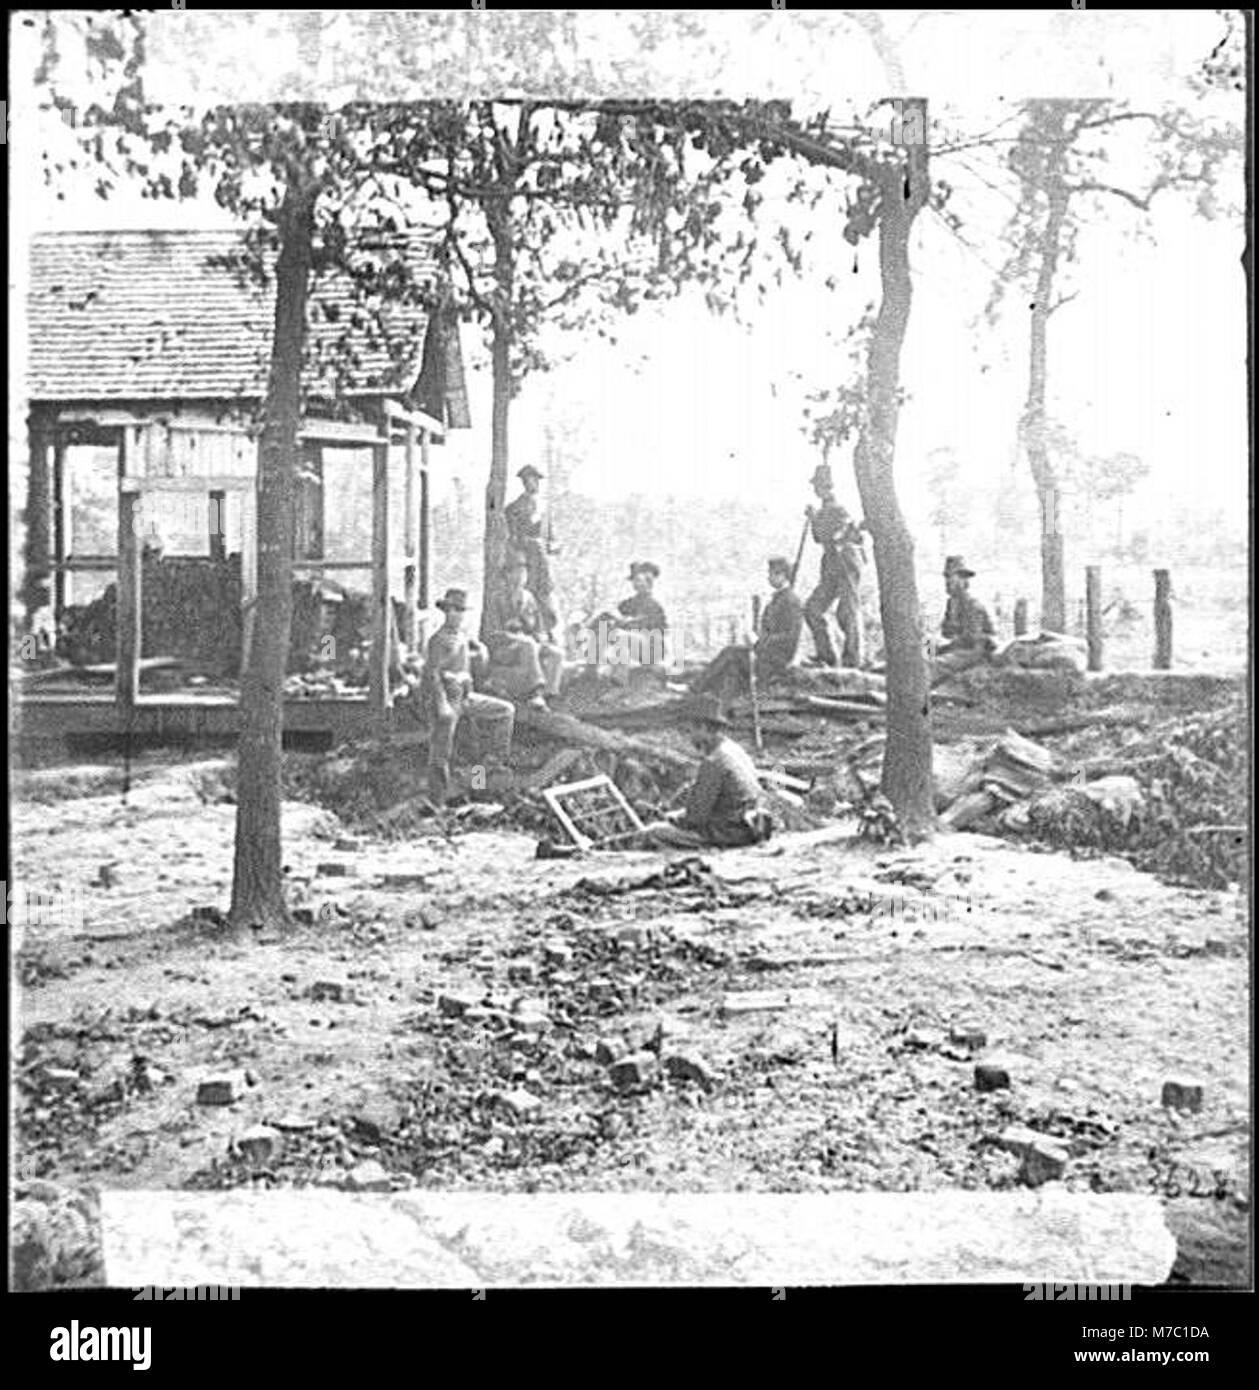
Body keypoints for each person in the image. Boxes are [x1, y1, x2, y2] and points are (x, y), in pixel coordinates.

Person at [420, 588, 515, 807]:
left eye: (462, 611)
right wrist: (442, 705)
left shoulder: (461, 636)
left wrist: (478, 650)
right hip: (447, 698)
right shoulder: (438, 639)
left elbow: (468, 658)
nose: (458, 615)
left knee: (505, 711)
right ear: (446, 611)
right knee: (440, 752)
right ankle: (437, 802)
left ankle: (489, 769)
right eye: (454, 610)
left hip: (465, 696)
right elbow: (431, 674)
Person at [642, 695, 772, 849]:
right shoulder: (734, 749)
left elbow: (695, 819)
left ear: (703, 728)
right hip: (751, 826)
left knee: (652, 832)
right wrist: (677, 816)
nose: (689, 738)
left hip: (730, 834)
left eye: (690, 731)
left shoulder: (713, 761)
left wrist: (674, 818)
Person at [690, 555, 804, 698]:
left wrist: (760, 641)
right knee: (732, 663)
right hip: (766, 654)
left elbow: (791, 636)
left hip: (776, 659)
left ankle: (695, 688)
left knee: (730, 653)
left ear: (783, 576)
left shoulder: (791, 601)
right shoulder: (779, 599)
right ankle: (713, 697)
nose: (769, 577)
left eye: (772, 574)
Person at [802, 463, 867, 669]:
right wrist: (814, 519)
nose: (817, 489)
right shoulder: (824, 511)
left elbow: (834, 535)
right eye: (817, 485)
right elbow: (818, 538)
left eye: (820, 485)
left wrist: (815, 519)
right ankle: (827, 656)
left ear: (828, 487)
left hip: (846, 561)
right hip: (831, 565)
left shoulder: (838, 510)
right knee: (813, 608)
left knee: (847, 610)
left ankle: (853, 659)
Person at [483, 555, 564, 707]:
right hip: (505, 647)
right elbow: (492, 632)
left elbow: (538, 627)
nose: (520, 577)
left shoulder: (529, 598)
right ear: (507, 575)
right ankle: (535, 693)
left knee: (556, 653)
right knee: (528, 645)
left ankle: (549, 694)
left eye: (523, 572)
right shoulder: (497, 598)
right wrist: (512, 635)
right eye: (516, 572)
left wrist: (541, 636)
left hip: (528, 642)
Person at [504, 465, 557, 638]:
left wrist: (553, 544)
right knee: (528, 594)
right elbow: (512, 537)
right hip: (525, 558)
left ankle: (546, 631)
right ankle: (531, 631)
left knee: (545, 593)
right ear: (524, 482)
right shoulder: (514, 508)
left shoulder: (543, 507)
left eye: (535, 480)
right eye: (529, 480)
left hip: (542, 559)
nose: (533, 484)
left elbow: (551, 535)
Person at [932, 555, 996, 682]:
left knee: (935, 664)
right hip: (955, 648)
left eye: (951, 577)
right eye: (946, 577)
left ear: (963, 580)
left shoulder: (972, 604)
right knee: (923, 651)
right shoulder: (951, 603)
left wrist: (946, 645)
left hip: (975, 651)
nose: (947, 582)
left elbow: (972, 638)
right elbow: (946, 631)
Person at [606, 560, 668, 674]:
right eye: (635, 581)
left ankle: (620, 677)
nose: (638, 584)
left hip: (652, 648)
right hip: (628, 646)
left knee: (621, 636)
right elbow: (614, 619)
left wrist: (627, 623)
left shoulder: (655, 605)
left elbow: (659, 631)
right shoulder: (626, 604)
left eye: (641, 581)